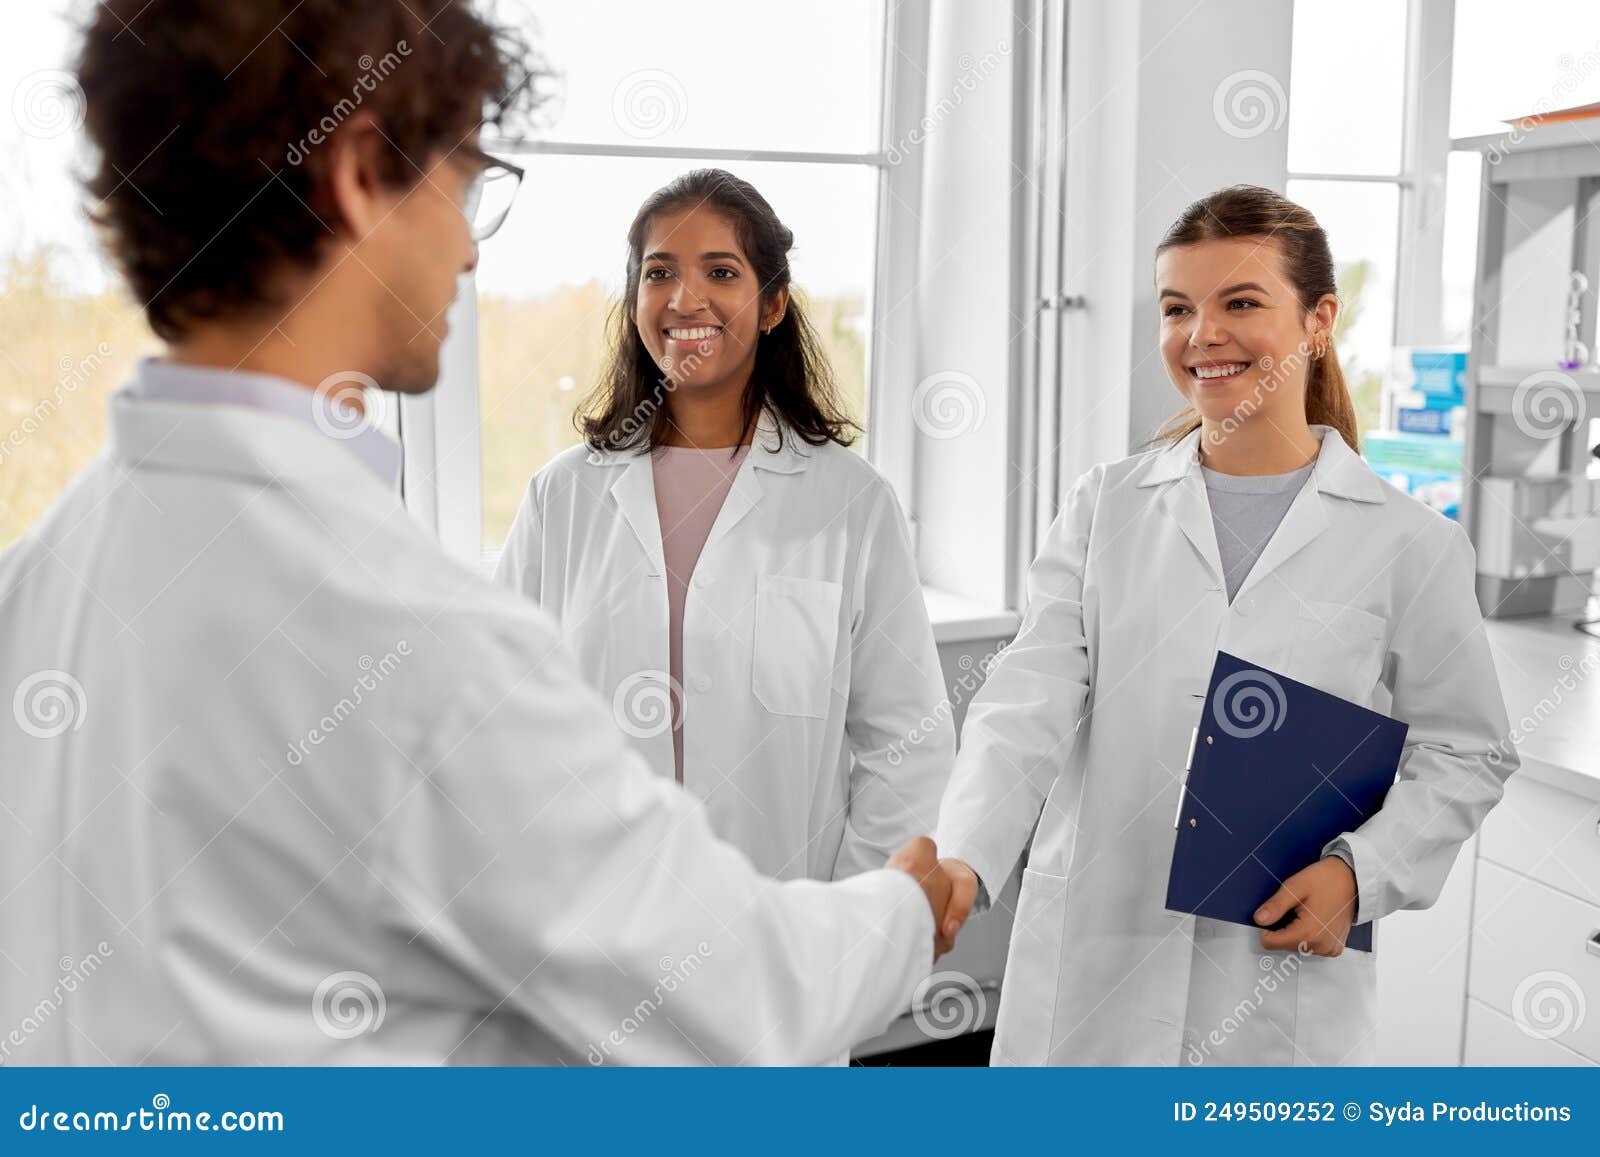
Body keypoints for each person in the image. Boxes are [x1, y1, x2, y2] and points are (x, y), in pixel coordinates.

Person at [0, 0, 951, 1066]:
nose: (463, 248)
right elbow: (740, 993)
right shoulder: (400, 626)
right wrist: (902, 908)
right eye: (465, 181)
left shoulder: (40, 573)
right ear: (362, 175)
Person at [931, 185, 1517, 1065]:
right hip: (1098, 966)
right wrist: (966, 852)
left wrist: (1361, 873)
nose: (1202, 334)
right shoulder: (1107, 507)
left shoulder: (1410, 543)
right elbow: (1027, 697)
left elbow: (1468, 749)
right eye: (1178, 308)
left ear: (1319, 319)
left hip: (1275, 984)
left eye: (1240, 303)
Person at [494, 169, 953, 886]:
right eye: (659, 272)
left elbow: (908, 744)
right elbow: (505, 717)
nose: (685, 299)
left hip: (784, 926)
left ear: (771, 304)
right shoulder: (564, 496)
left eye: (721, 271)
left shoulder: (849, 502)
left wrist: (847, 924)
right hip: (596, 920)